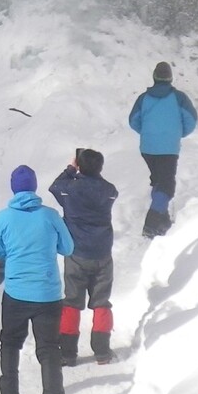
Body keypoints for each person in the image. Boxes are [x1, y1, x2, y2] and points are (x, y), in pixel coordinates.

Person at [0, 164, 76, 394]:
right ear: (35, 186)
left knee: (10, 343)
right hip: (47, 294)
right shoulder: (50, 215)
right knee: (49, 350)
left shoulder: (3, 218)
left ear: (13, 188)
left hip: (15, 292)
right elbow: (68, 247)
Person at [48, 149, 119, 365]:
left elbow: (54, 187)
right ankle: (102, 352)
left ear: (79, 165)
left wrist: (71, 170)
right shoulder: (109, 191)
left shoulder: (70, 190)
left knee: (71, 301)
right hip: (102, 252)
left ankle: (68, 354)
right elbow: (104, 188)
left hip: (77, 253)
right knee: (101, 301)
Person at [128, 61, 198, 238]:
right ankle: (151, 224)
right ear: (170, 78)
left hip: (148, 148)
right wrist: (178, 133)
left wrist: (147, 133)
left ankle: (163, 221)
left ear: (154, 77)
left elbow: (133, 120)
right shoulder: (179, 97)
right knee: (167, 185)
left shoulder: (144, 98)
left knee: (159, 181)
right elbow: (191, 119)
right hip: (168, 148)